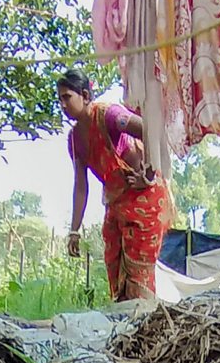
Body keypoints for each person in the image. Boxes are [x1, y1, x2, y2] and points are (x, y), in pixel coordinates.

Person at [57, 68, 174, 301]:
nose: (62, 105)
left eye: (67, 98)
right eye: (59, 99)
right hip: (117, 204)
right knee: (115, 273)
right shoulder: (75, 140)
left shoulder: (109, 115)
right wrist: (74, 230)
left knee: (138, 278)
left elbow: (149, 130)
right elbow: (81, 186)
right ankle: (129, 331)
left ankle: (145, 328)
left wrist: (148, 174)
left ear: (85, 96)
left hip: (145, 198)